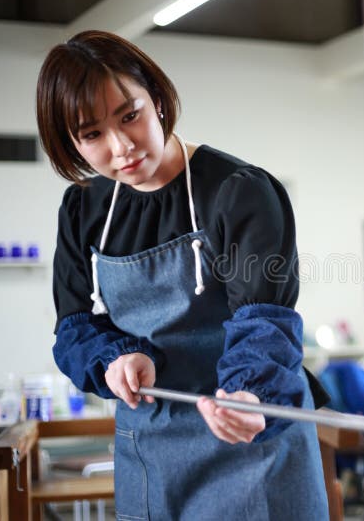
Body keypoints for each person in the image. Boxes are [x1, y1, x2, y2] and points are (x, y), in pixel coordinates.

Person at [37, 30, 329, 520]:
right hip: (152, 450)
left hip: (252, 440)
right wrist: (114, 359)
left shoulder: (239, 192)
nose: (122, 146)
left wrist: (248, 395)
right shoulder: (84, 208)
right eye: (92, 135)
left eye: (130, 116)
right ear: (71, 141)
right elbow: (72, 327)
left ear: (156, 98)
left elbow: (265, 319)